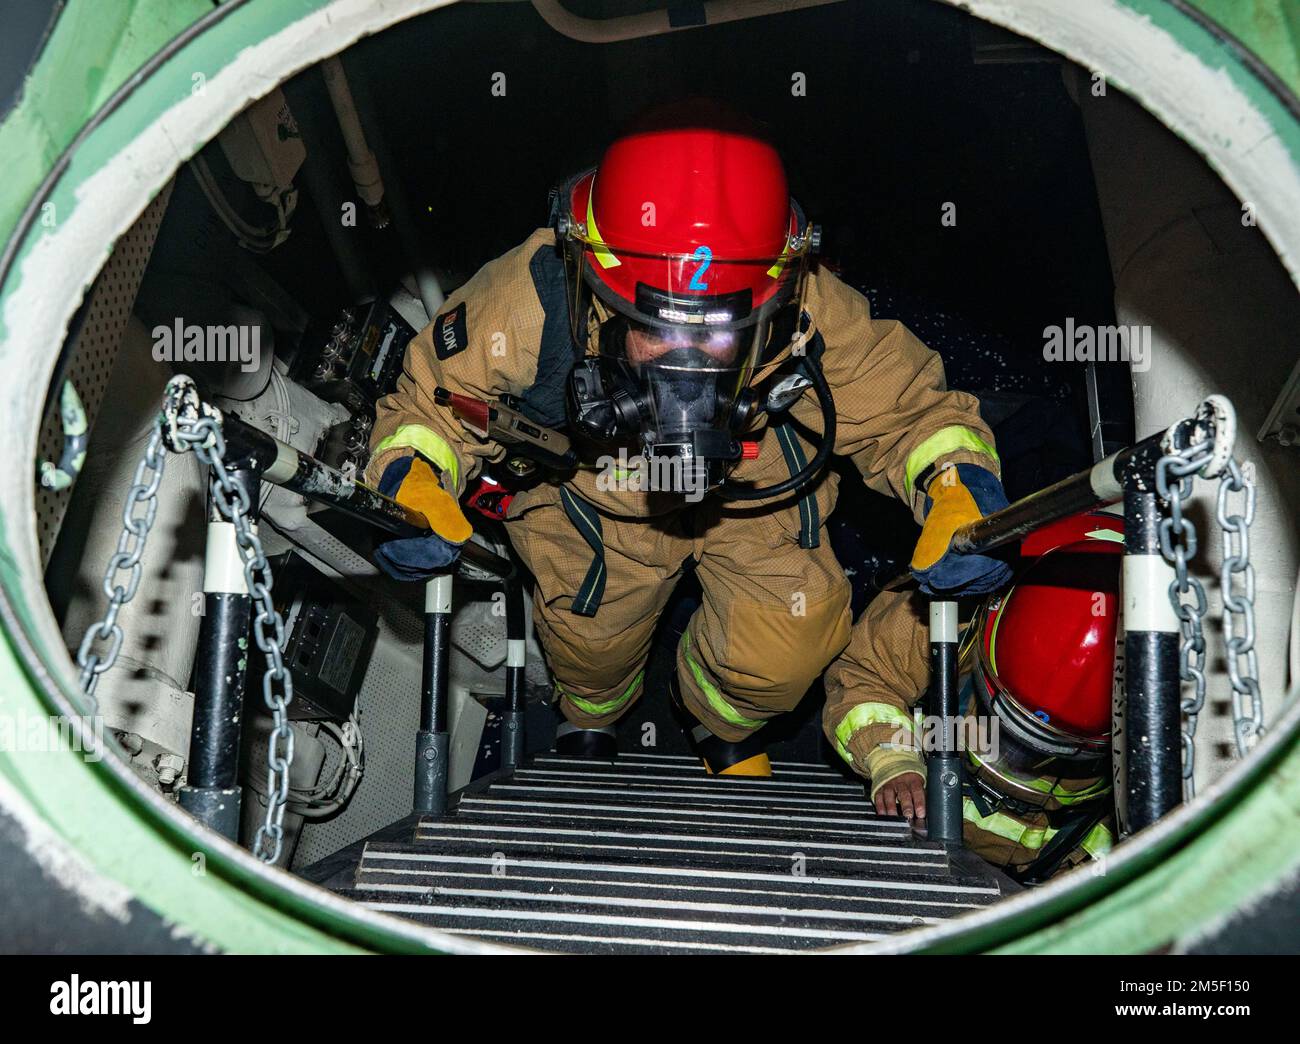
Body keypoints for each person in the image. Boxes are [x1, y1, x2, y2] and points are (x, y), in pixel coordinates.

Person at [366, 103, 1011, 777]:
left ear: (772, 303)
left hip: (752, 488)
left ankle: (717, 718)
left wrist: (953, 485)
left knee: (791, 644)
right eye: (657, 329)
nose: (688, 367)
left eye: (716, 335)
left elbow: (907, 407)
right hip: (597, 496)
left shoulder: (802, 303)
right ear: (594, 290)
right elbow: (430, 405)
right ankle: (593, 714)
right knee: (588, 645)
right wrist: (412, 478)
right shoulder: (527, 303)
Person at [823, 511, 1120, 878]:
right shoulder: (953, 603)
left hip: (1054, 860)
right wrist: (892, 759)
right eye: (1008, 729)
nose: (1013, 758)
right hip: (924, 805)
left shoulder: (1184, 702)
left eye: (1045, 749)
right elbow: (866, 673)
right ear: (990, 624)